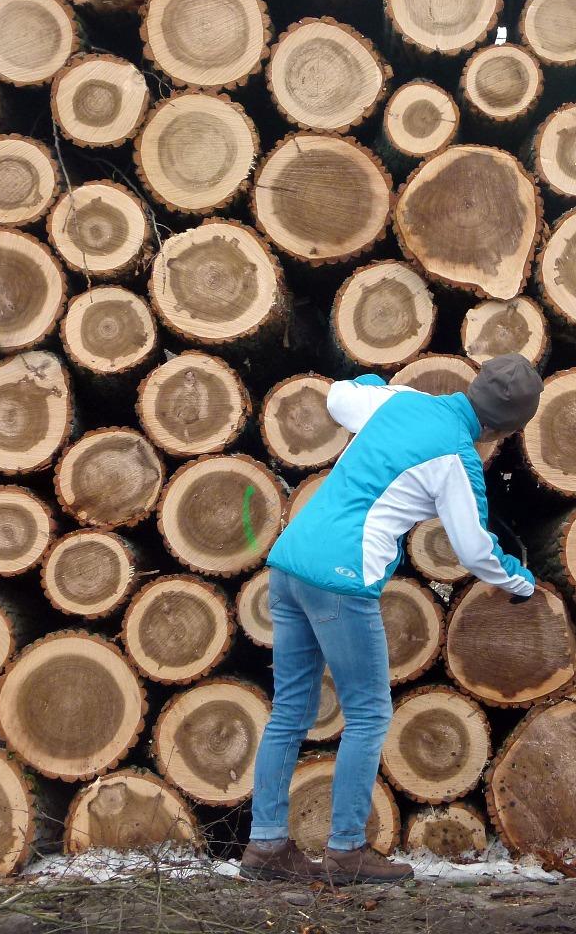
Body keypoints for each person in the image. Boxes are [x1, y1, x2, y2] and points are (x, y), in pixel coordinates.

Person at [241, 354, 544, 885]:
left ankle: (265, 846)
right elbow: (475, 550)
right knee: (368, 714)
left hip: (289, 561)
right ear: (506, 429)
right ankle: (346, 851)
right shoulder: (457, 457)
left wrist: (367, 381)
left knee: (289, 711)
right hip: (341, 576)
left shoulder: (403, 400)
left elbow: (338, 396)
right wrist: (520, 582)